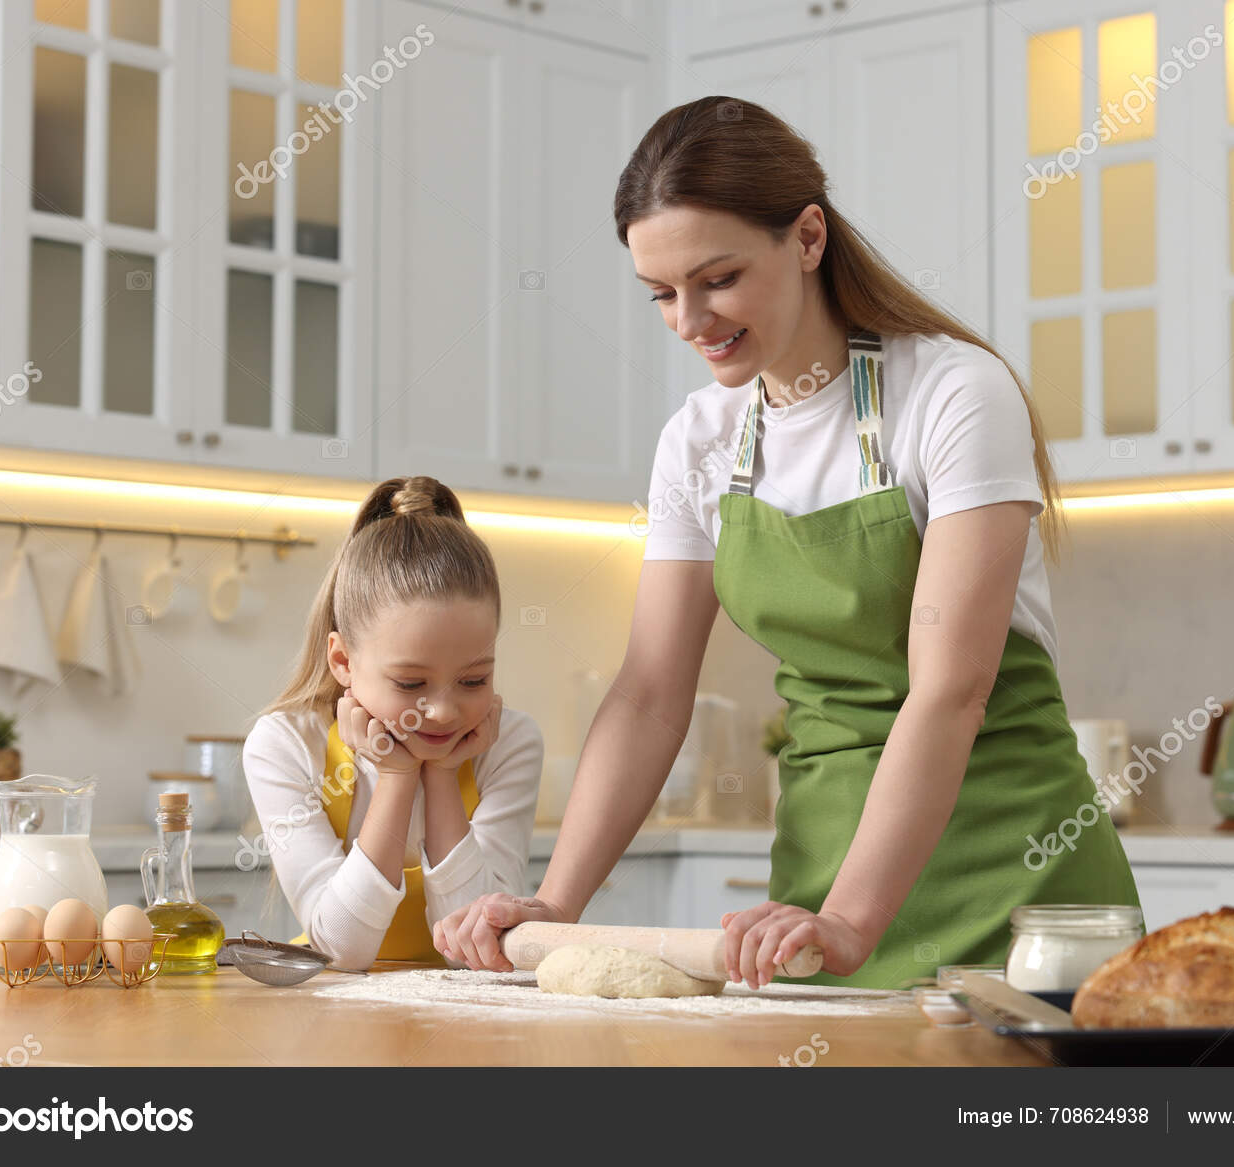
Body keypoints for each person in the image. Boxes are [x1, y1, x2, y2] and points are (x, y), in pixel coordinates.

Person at [434, 97, 1139, 990]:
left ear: (808, 238)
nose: (690, 320)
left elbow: (949, 692)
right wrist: (555, 902)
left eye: (717, 278)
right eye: (661, 294)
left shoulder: (953, 395)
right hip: (811, 898)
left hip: (1017, 883)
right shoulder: (698, 443)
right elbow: (651, 693)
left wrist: (854, 915)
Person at [243, 475, 542, 970]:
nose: (443, 712)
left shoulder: (509, 742)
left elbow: (478, 949)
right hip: (330, 1018)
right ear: (343, 662)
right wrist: (399, 778)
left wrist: (442, 775)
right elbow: (340, 951)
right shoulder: (285, 745)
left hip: (466, 1020)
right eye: (410, 685)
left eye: (473, 680)